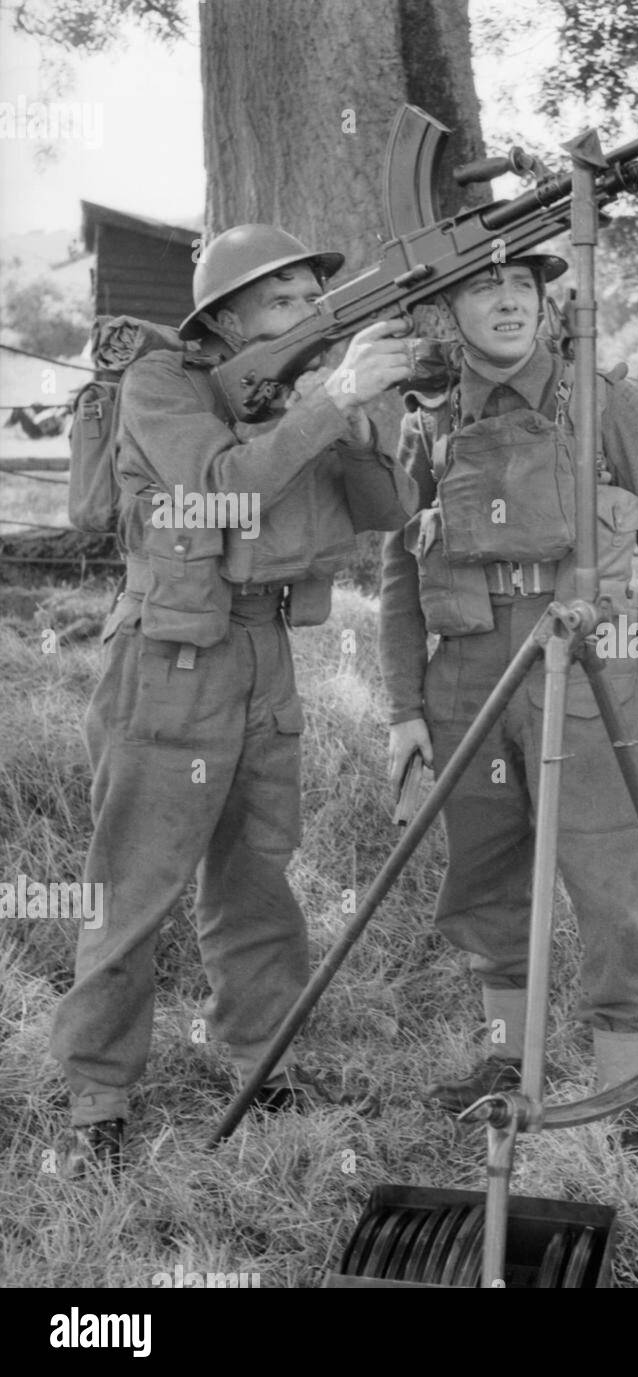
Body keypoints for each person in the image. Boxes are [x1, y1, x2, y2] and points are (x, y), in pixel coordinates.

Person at [50, 225, 419, 1174]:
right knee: (136, 883)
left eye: (312, 299)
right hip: (169, 658)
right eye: (289, 302)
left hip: (264, 651)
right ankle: (98, 1097)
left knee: (258, 877)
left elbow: (388, 512)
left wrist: (364, 412)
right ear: (229, 317)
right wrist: (328, 397)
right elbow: (221, 489)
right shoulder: (162, 386)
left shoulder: (297, 395)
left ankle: (259, 1062)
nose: (311, 316)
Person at [379, 252, 638, 1147]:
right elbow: (401, 574)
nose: (509, 302)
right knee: (485, 878)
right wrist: (404, 705)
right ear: (452, 306)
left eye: (523, 286)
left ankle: (620, 1100)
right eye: (485, 287)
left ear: (545, 301)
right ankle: (503, 1065)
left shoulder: (603, 402)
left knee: (609, 884)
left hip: (588, 673)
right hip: (469, 675)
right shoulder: (429, 418)